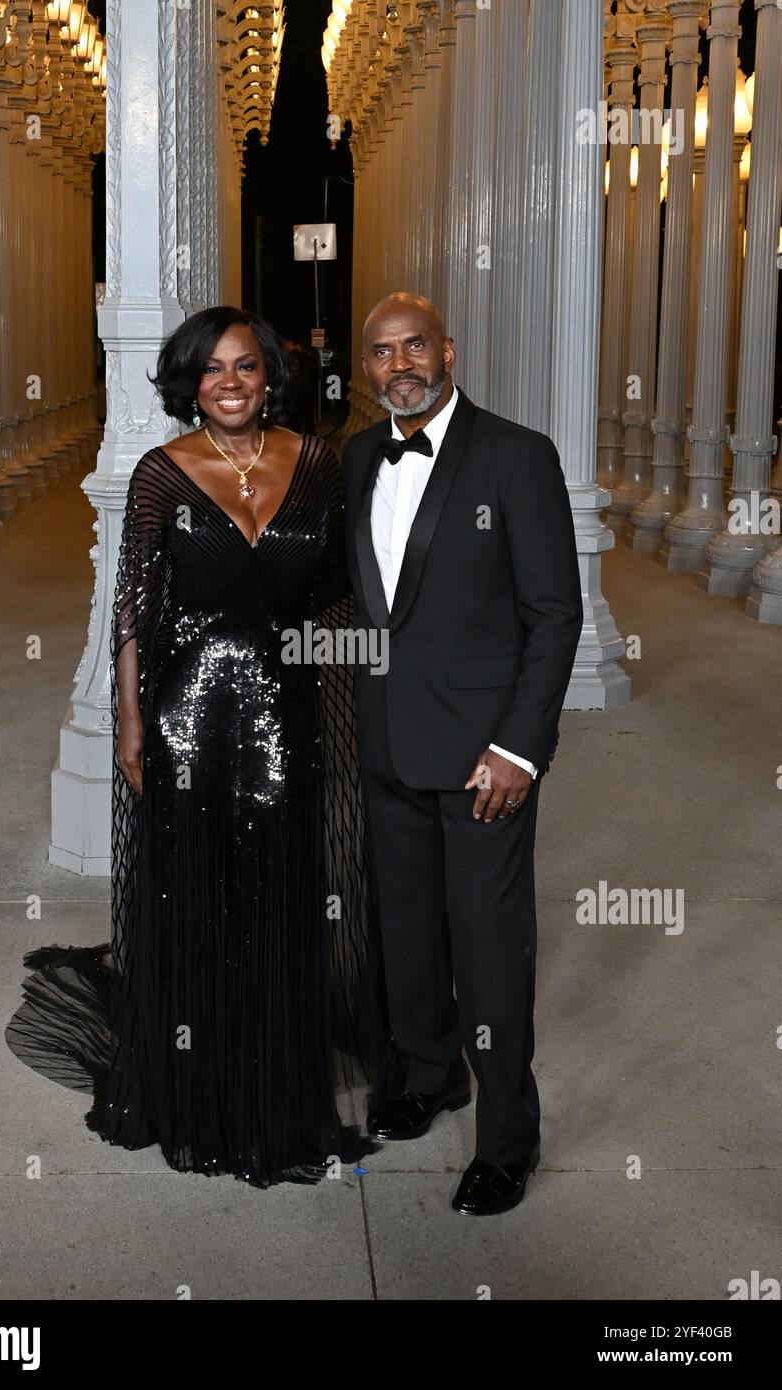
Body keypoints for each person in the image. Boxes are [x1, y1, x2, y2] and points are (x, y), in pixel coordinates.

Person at [6, 307, 390, 1187]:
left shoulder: (318, 463)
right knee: (200, 890)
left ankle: (273, 1075)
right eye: (212, 369)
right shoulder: (160, 473)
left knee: (282, 884)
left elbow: (341, 587)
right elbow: (132, 609)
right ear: (190, 381)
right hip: (187, 718)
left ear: (270, 376)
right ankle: (194, 1072)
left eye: (246, 367)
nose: (229, 383)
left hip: (288, 710)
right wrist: (132, 723)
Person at [342, 293, 583, 1215]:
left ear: (448, 349)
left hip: (485, 759)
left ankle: (507, 1139)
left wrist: (519, 751)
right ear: (366, 368)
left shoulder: (516, 456)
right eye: (380, 352)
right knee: (405, 927)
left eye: (414, 345)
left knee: (488, 947)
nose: (399, 364)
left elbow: (553, 615)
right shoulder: (362, 456)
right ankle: (430, 1072)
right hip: (387, 742)